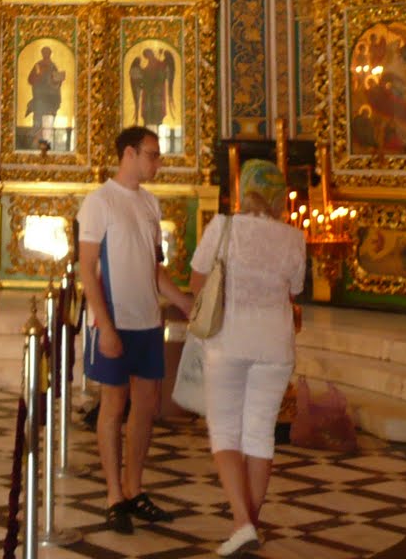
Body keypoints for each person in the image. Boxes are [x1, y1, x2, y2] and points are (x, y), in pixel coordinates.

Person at [77, 125, 193, 535]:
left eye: (158, 155)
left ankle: (134, 488)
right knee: (113, 406)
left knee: (146, 406)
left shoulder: (150, 204)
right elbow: (87, 270)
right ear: (128, 153)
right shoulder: (99, 202)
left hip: (147, 320)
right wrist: (104, 326)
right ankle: (113, 495)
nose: (158, 162)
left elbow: (153, 268)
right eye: (152, 154)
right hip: (114, 319)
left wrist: (181, 301)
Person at [188, 159, 307, 556]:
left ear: (244, 189)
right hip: (276, 345)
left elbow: (196, 281)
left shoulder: (223, 228)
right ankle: (249, 526)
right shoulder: (294, 238)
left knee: (225, 432)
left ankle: (242, 523)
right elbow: (295, 287)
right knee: (259, 434)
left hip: (228, 339)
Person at [25, 44, 65, 143]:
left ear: (50, 54)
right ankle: (35, 139)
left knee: (48, 118)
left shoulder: (53, 66)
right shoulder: (38, 65)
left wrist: (58, 79)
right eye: (45, 53)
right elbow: (31, 79)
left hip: (51, 98)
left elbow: (56, 82)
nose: (46, 55)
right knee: (38, 117)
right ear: (42, 54)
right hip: (40, 96)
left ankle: (45, 140)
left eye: (48, 53)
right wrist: (40, 75)